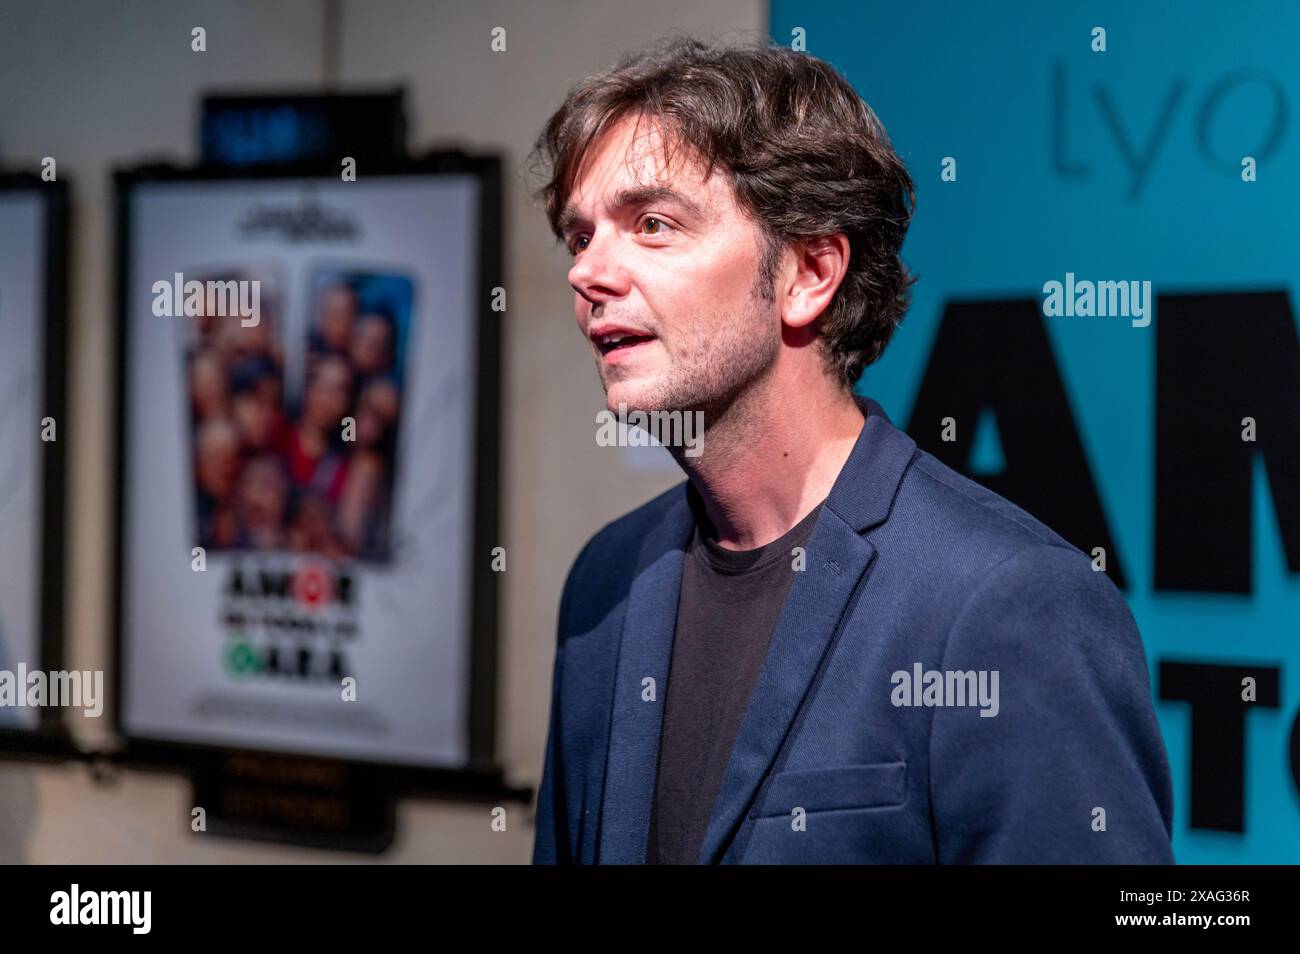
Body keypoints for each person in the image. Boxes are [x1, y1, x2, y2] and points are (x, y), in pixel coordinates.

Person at [528, 36, 1175, 864]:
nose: (589, 272)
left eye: (653, 224)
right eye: (580, 237)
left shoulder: (1010, 606)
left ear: (809, 271)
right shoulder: (606, 580)